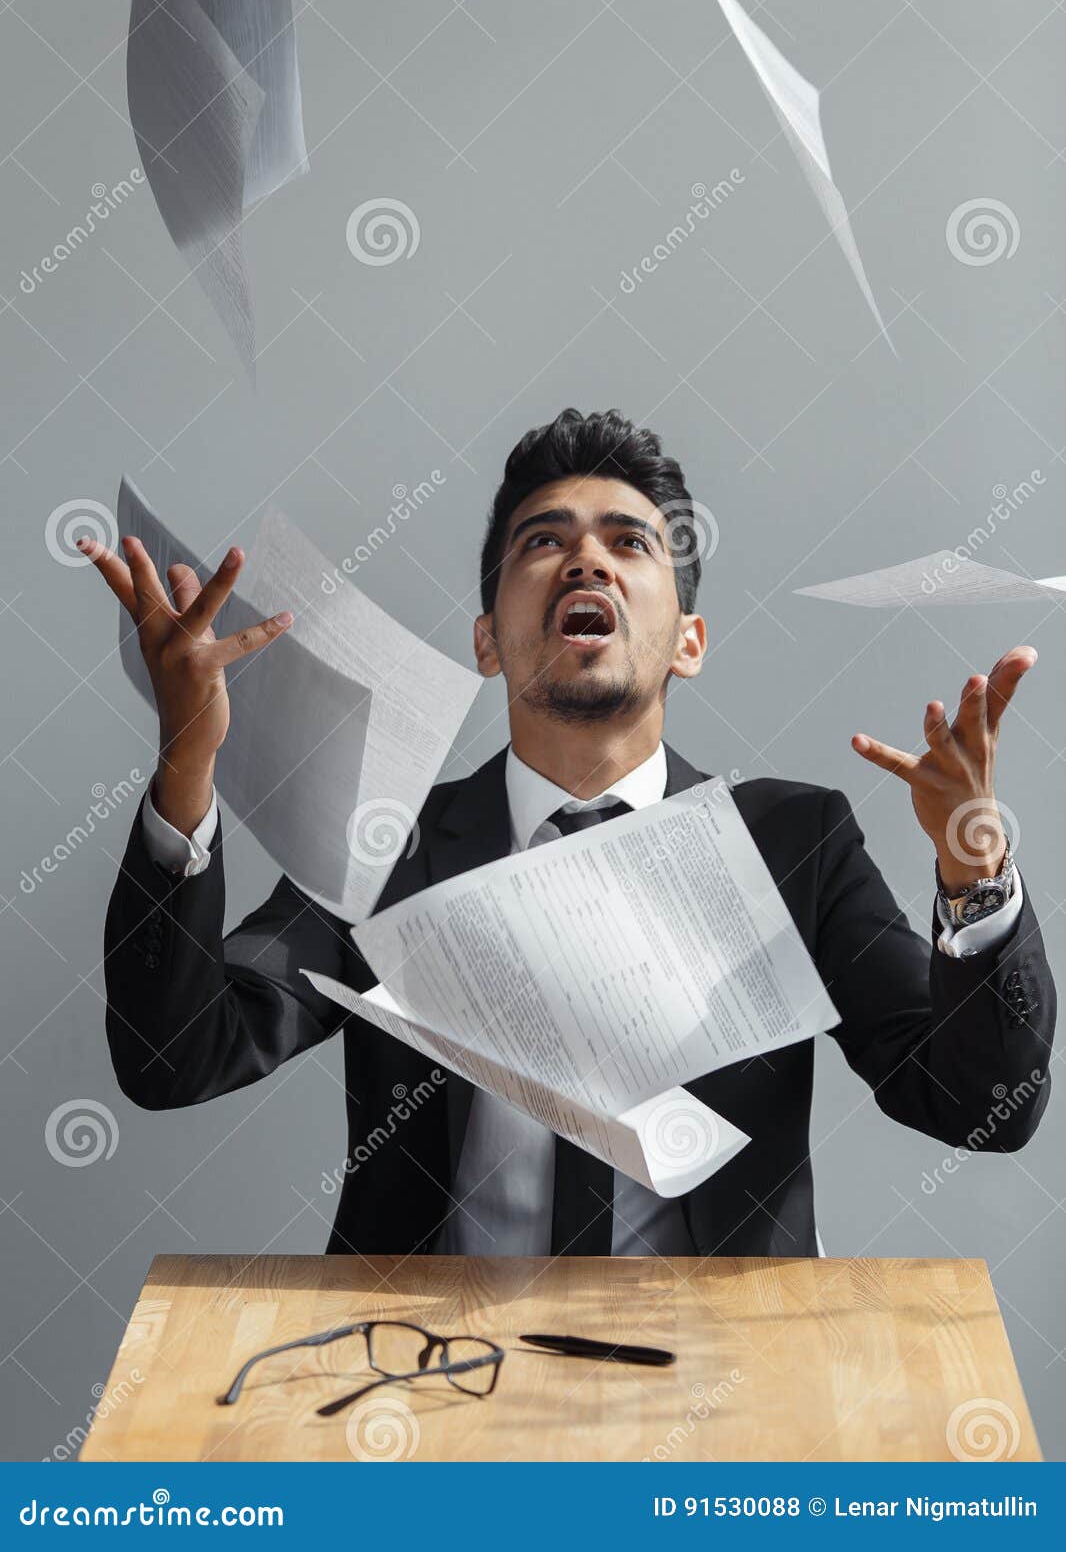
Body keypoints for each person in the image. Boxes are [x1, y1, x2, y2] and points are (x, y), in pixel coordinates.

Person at [82, 407, 1055, 1257]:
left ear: (688, 640)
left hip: (723, 1397)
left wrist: (974, 867)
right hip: (433, 1384)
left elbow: (978, 1110)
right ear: (486, 636)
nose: (587, 556)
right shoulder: (385, 842)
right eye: (543, 541)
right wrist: (185, 764)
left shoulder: (790, 839)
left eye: (630, 543)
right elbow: (177, 1056)